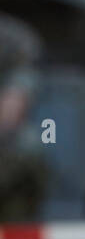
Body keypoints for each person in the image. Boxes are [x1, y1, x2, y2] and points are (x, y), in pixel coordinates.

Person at [0, 14, 45, 221]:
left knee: (28, 146)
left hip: (8, 147)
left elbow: (12, 107)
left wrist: (17, 93)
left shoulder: (12, 37)